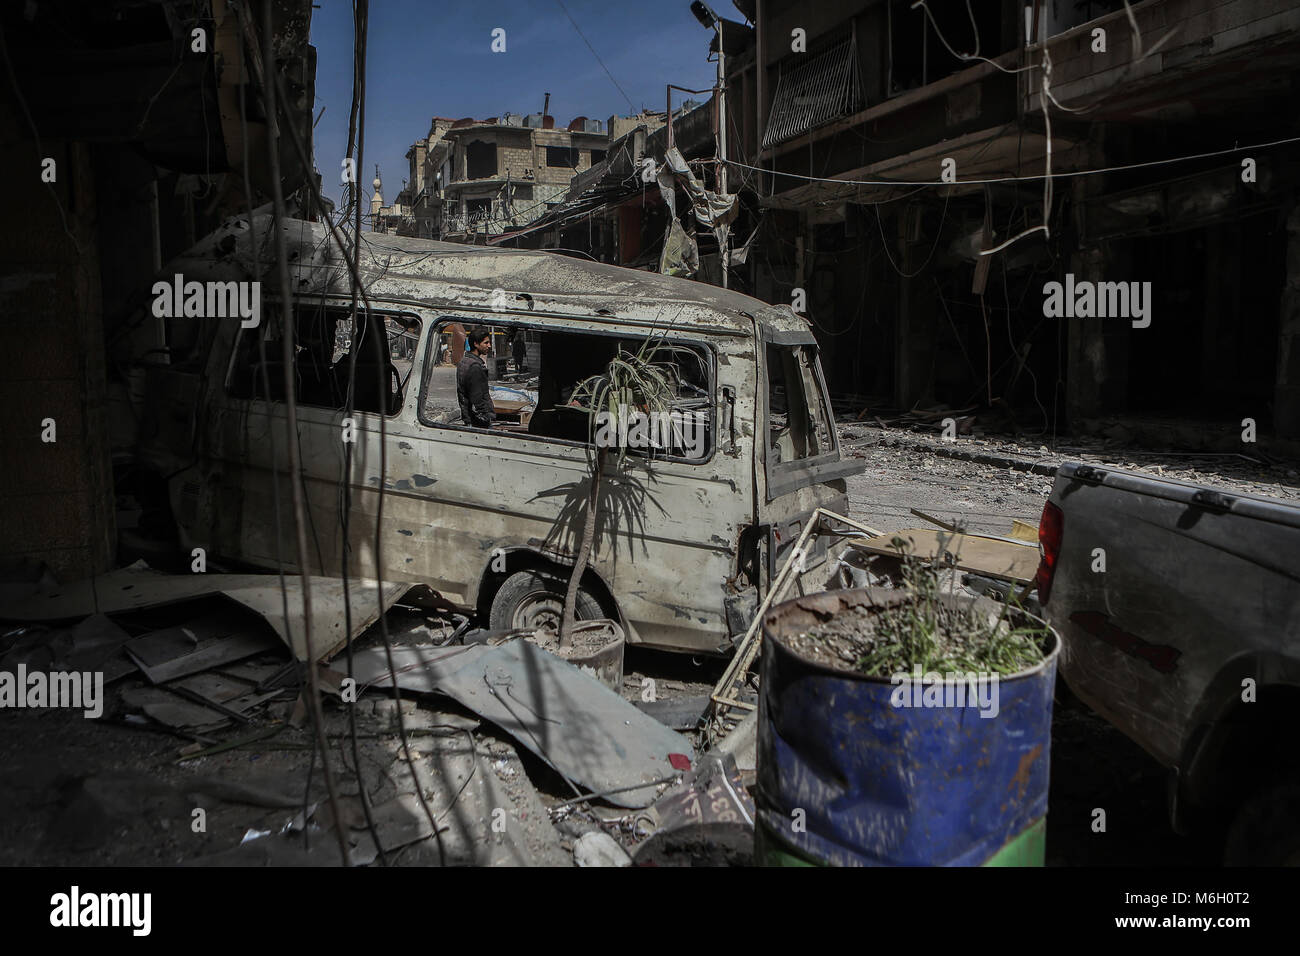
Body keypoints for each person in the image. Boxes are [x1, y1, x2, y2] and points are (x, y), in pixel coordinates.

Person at [457, 327, 495, 428]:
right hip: (477, 421)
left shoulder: (464, 361)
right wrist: (486, 417)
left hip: (469, 418)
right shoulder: (475, 367)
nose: (489, 346)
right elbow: (477, 397)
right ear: (476, 344)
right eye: (486, 343)